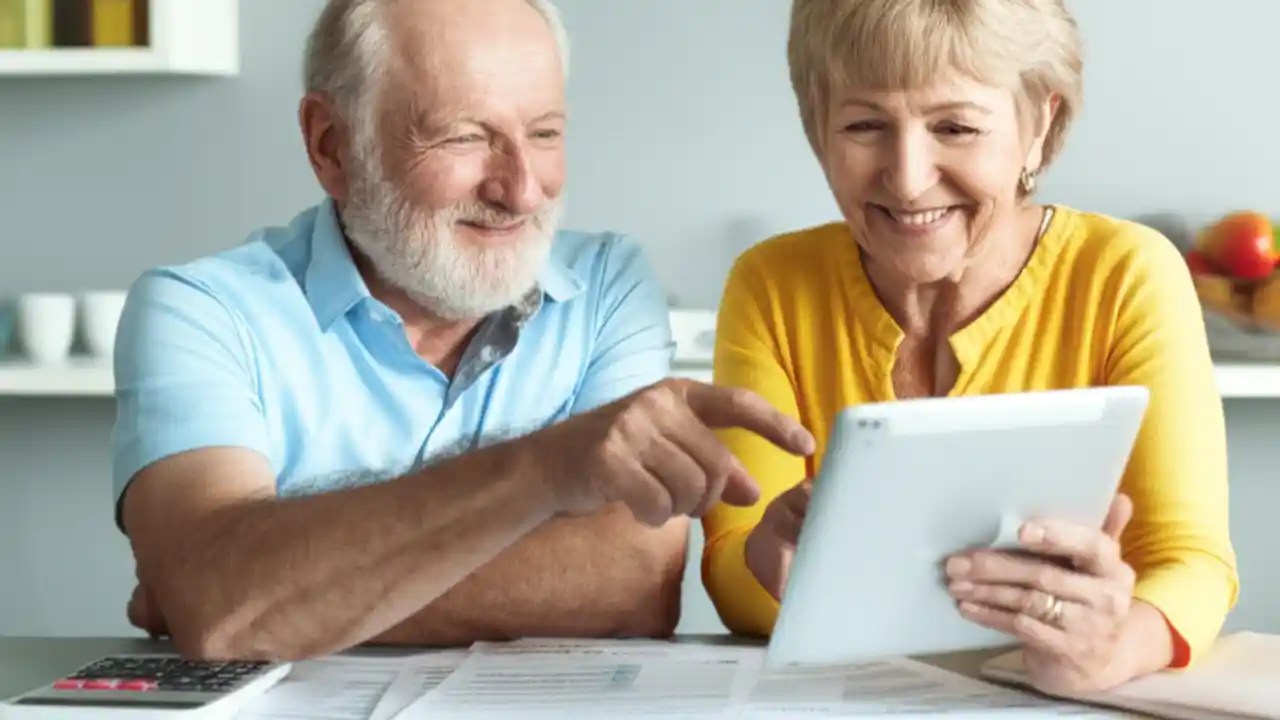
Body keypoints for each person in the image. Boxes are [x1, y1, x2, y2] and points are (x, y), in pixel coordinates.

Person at [114, 0, 815, 662]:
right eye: (464, 137)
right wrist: (549, 469)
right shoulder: (201, 310)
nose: (521, 189)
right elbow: (223, 598)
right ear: (332, 146)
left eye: (543, 134)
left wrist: (279, 599)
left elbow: (638, 580)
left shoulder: (607, 285)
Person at [701, 0, 1238, 696]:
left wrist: (1112, 646)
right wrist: (768, 562)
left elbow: (1192, 561)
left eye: (954, 127)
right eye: (865, 126)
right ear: (816, 126)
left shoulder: (1126, 273)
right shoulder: (770, 284)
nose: (909, 177)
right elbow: (730, 564)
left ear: (1038, 125)